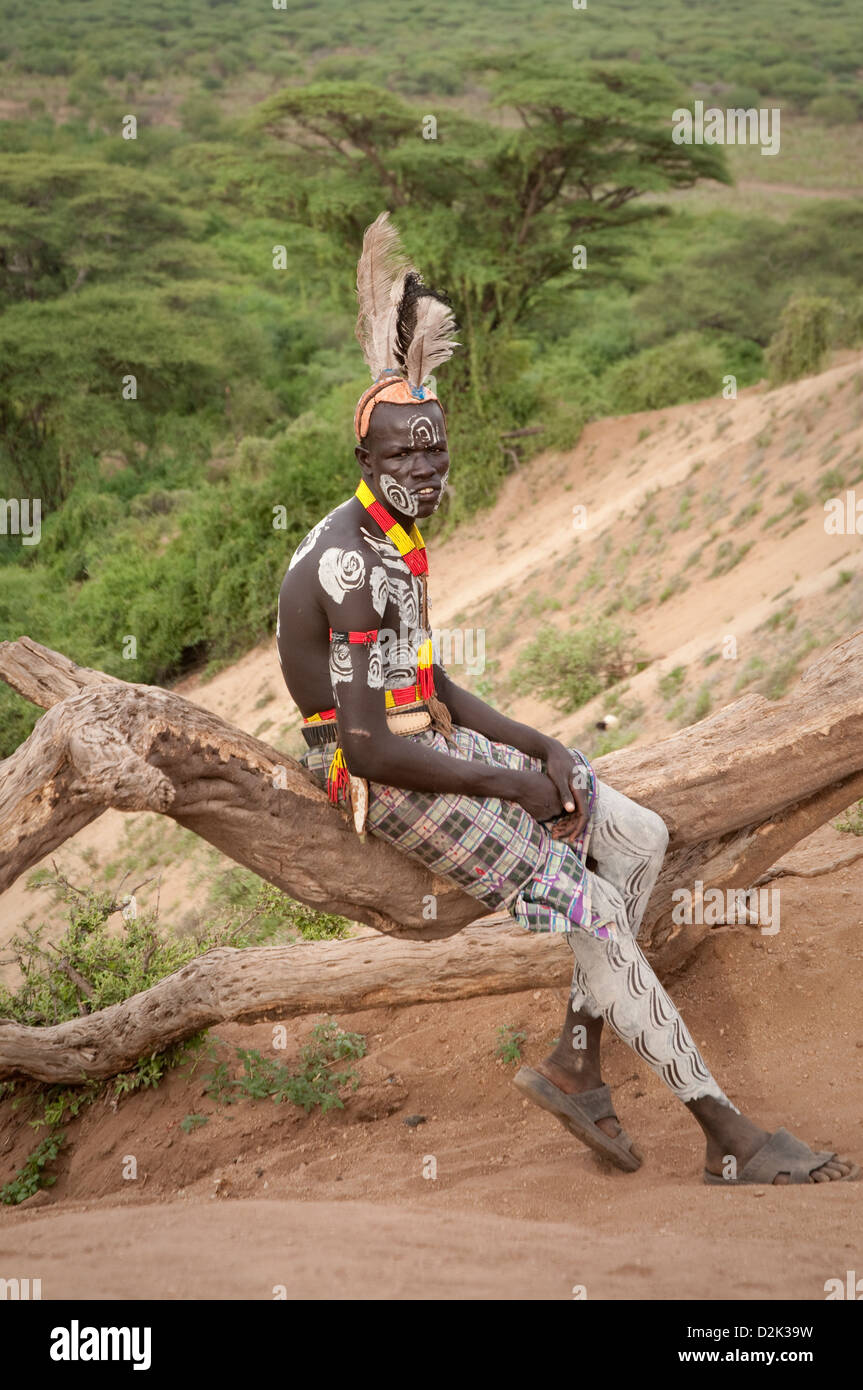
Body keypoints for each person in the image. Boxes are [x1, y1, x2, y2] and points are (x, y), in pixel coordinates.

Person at [276, 213, 857, 1186]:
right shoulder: (354, 563)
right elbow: (368, 747)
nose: (425, 471)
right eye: (403, 457)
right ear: (365, 462)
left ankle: (576, 1064)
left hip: (424, 738)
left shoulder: (395, 536)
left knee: (634, 834)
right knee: (590, 905)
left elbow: (430, 684)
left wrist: (544, 750)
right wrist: (512, 788)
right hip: (377, 775)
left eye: (434, 452)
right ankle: (727, 1136)